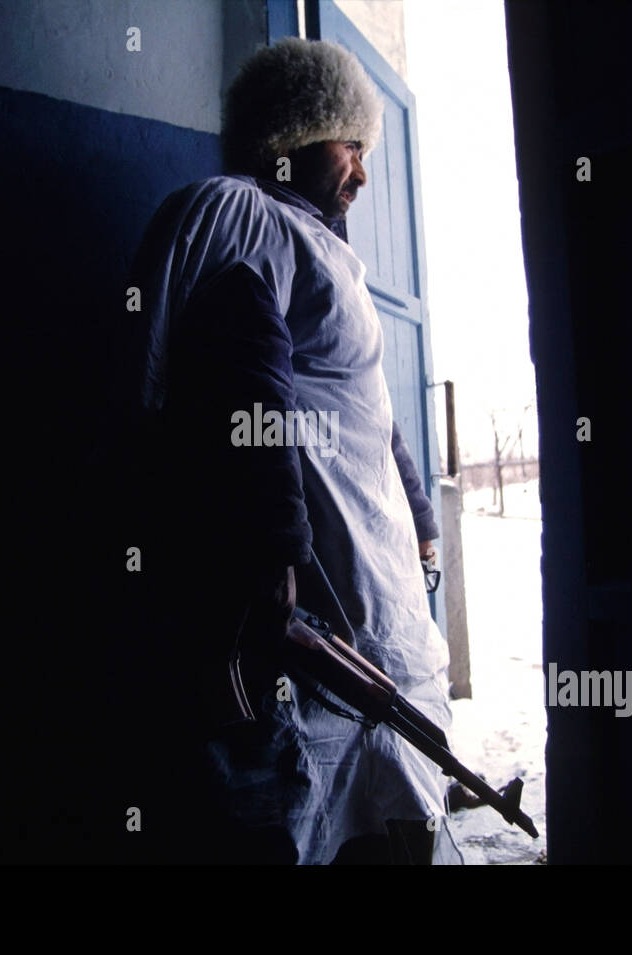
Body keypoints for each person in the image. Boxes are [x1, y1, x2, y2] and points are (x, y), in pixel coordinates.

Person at [116, 36, 460, 865]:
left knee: (393, 796)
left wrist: (417, 515)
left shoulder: (330, 253)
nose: (364, 175)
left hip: (382, 589)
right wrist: (274, 550)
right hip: (320, 592)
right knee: (312, 805)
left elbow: (371, 412)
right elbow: (248, 393)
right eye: (352, 145)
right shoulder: (251, 223)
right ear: (293, 135)